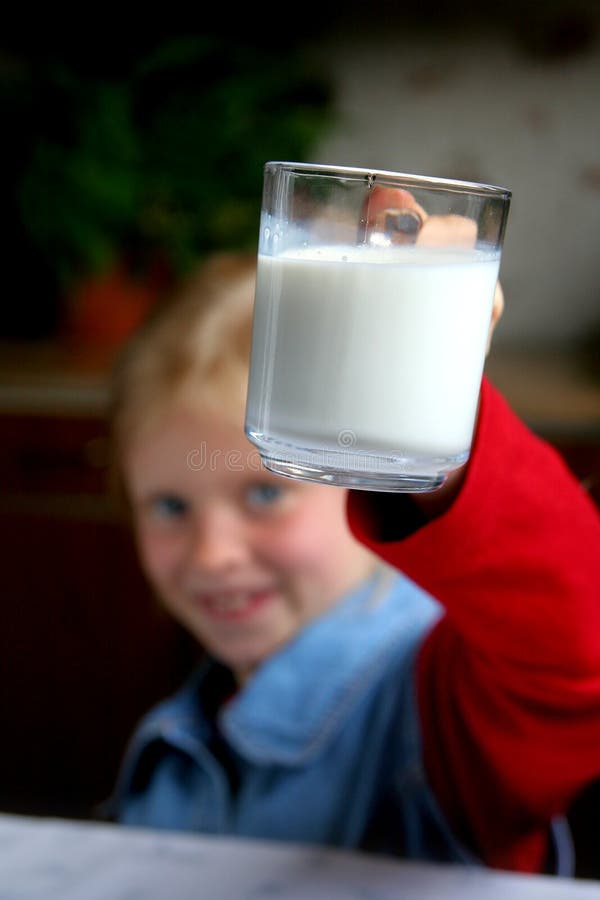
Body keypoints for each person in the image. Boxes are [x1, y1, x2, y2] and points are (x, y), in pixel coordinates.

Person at [105, 237, 600, 878]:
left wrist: (428, 439)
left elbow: (576, 640)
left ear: (372, 476)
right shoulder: (176, 738)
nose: (212, 555)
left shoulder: (440, 711)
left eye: (265, 492)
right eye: (170, 508)